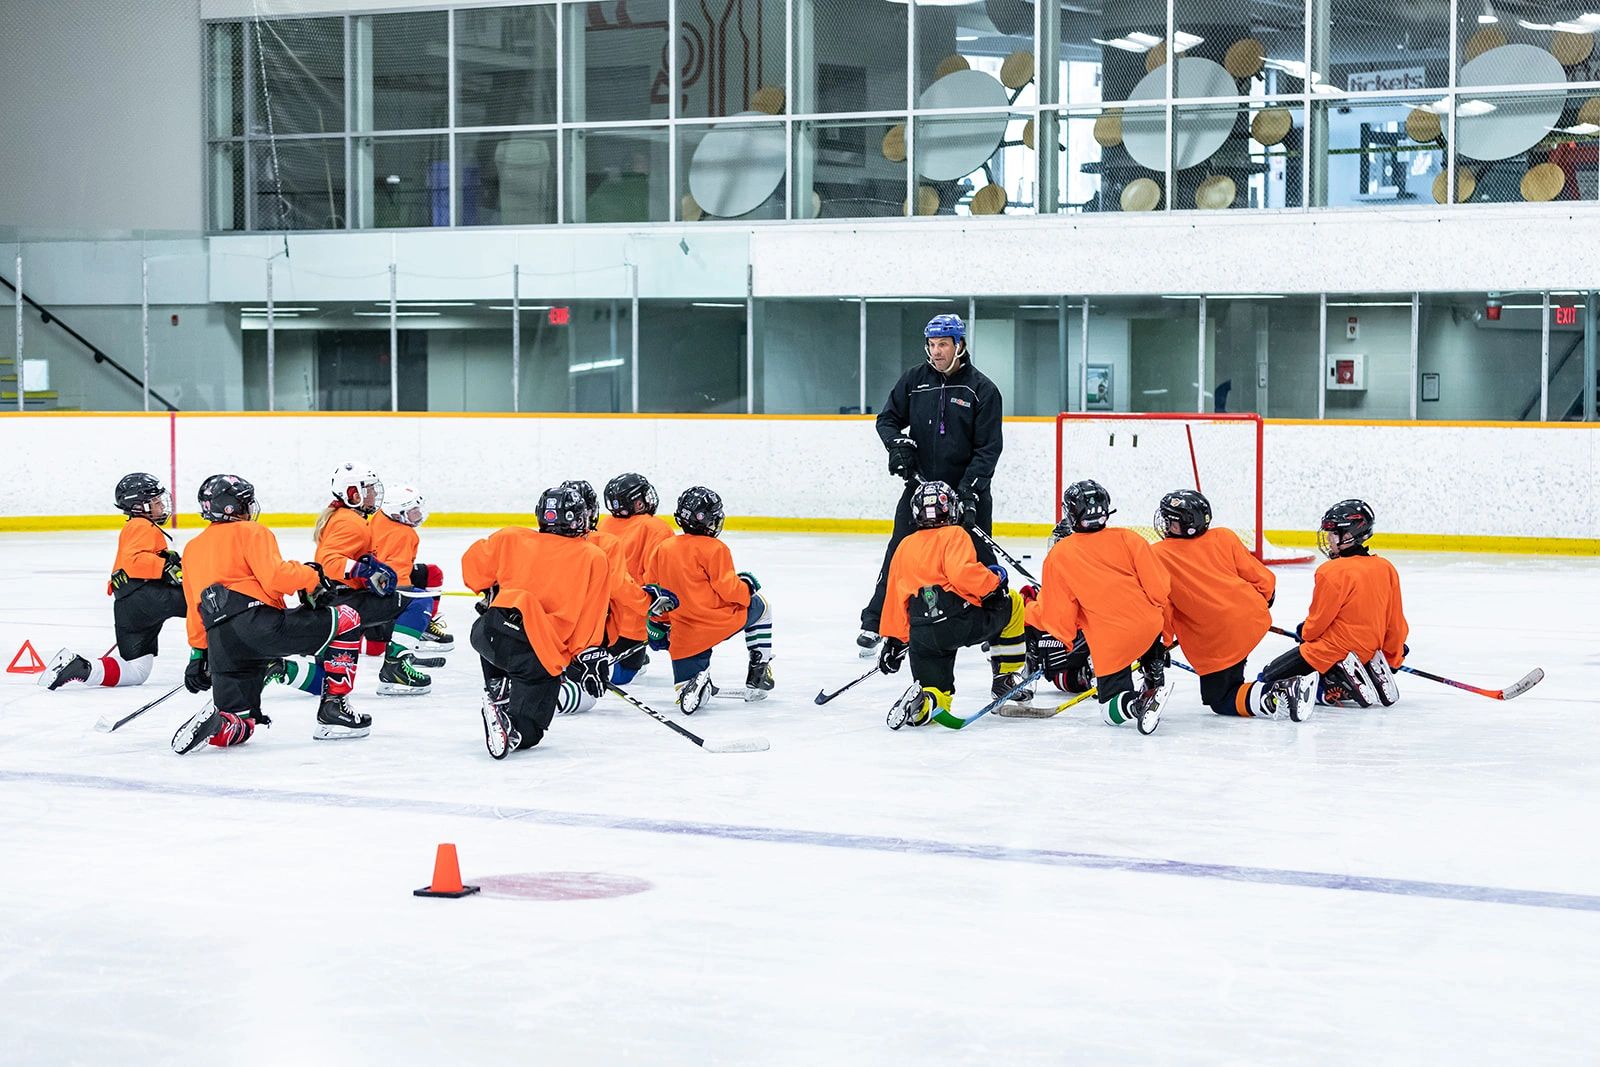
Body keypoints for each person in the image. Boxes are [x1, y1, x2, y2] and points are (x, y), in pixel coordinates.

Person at [169, 474, 384, 753]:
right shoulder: (251, 532)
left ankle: (223, 725)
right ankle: (335, 711)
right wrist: (310, 576)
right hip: (259, 626)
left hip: (221, 643)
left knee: (241, 723)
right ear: (234, 508)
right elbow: (276, 577)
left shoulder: (193, 547)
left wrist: (198, 655)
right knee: (347, 619)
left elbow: (193, 605)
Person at [858, 313, 1003, 657]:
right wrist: (898, 446)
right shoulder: (914, 381)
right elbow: (887, 420)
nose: (936, 351)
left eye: (943, 344)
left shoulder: (981, 389)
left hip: (966, 491)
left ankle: (995, 623)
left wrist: (969, 491)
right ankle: (878, 620)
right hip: (921, 492)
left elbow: (988, 448)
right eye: (932, 345)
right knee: (898, 552)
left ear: (959, 345)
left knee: (979, 556)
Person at [462, 485, 611, 759]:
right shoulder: (593, 556)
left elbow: (472, 569)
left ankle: (498, 689)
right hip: (535, 654)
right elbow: (591, 617)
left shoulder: (510, 537)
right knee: (530, 730)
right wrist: (584, 656)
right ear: (580, 519)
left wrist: (489, 589)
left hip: (489, 634)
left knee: (499, 632)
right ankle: (514, 727)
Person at [875, 480, 1029, 730]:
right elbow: (962, 574)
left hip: (922, 632)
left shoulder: (904, 545)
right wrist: (994, 584)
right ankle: (1006, 678)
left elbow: (894, 596)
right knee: (1013, 603)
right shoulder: (955, 534)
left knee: (939, 701)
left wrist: (894, 640)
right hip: (958, 622)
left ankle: (923, 704)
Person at [1027, 479, 1172, 735]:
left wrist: (1028, 612)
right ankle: (1153, 665)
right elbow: (1159, 590)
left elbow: (1060, 622)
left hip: (1112, 640)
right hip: (1150, 626)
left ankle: (1140, 703)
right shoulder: (1129, 537)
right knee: (1145, 625)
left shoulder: (1059, 555)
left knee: (1110, 713)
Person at [1149, 489, 1305, 721]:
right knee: (1233, 671)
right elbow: (1263, 579)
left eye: (1170, 519)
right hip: (1253, 619)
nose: (1165, 523)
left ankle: (1278, 693)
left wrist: (1162, 642)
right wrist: (1261, 602)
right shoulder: (1224, 536)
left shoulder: (1157, 554)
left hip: (1216, 638)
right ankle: (1251, 683)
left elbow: (1164, 606)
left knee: (1220, 699)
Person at [1255, 499, 1408, 709]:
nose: (1328, 540)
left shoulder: (1331, 572)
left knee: (1265, 679)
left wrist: (1304, 632)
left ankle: (1327, 689)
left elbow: (1315, 626)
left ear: (1349, 535)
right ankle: (1358, 677)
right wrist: (1393, 659)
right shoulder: (1385, 567)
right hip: (1368, 653)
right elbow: (1396, 623)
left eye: (1333, 534)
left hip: (1331, 653)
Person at [39, 473, 186, 691]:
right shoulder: (140, 525)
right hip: (147, 594)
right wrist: (165, 566)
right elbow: (133, 562)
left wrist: (164, 558)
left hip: (128, 603)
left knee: (137, 670)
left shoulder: (136, 526)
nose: (160, 505)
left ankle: (81, 668)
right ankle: (219, 663)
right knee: (207, 605)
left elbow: (135, 558)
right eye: (155, 501)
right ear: (139, 506)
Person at [645, 486, 774, 714]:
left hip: (684, 635)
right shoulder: (715, 548)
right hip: (718, 622)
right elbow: (731, 591)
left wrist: (658, 622)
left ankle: (696, 684)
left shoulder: (662, 548)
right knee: (762, 606)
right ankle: (758, 671)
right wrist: (747, 587)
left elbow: (655, 593)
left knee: (690, 696)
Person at [555, 479, 675, 711]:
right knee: (609, 678)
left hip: (580, 631)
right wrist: (656, 614)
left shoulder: (604, 527)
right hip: (621, 629)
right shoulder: (653, 529)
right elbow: (653, 580)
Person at [313, 461, 411, 695]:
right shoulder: (351, 522)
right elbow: (327, 563)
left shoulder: (342, 516)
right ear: (352, 493)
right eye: (369, 489)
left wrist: (367, 567)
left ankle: (280, 667)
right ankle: (397, 667)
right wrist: (364, 571)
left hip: (331, 602)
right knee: (414, 600)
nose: (375, 493)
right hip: (342, 604)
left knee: (324, 682)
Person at [598, 472, 676, 672]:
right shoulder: (657, 528)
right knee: (622, 674)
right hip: (632, 626)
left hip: (597, 623)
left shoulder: (604, 523)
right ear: (638, 504)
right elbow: (659, 580)